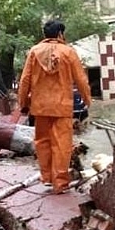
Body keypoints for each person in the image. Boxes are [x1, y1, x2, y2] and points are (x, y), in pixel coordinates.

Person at [18, 19, 92, 194]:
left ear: (45, 34)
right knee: (62, 145)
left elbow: (25, 80)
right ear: (60, 34)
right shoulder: (68, 52)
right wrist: (87, 100)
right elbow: (81, 79)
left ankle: (47, 178)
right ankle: (60, 183)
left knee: (43, 142)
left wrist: (23, 103)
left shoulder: (34, 52)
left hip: (40, 107)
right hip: (62, 107)